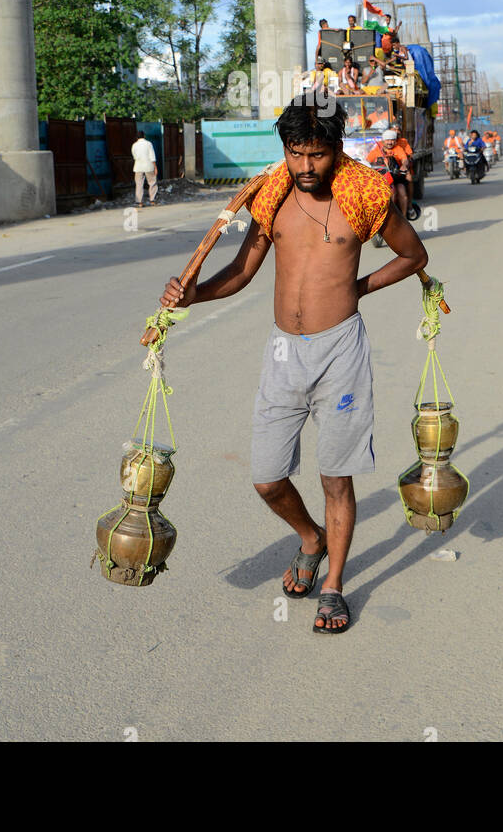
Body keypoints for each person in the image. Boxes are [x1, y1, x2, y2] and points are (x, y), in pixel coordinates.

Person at [160, 96, 427, 634]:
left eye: (317, 155)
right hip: (284, 351)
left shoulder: (363, 197)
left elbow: (413, 255)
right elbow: (240, 272)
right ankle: (310, 537)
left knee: (335, 477)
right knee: (266, 478)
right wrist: (194, 296)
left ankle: (333, 586)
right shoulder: (273, 198)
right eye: (295, 153)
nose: (306, 167)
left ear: (336, 150)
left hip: (340, 350)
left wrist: (355, 289)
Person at [131, 130, 158, 207]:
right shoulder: (148, 144)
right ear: (144, 136)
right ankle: (152, 200)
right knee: (152, 182)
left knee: (139, 184)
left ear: (137, 137)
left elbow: (134, 156)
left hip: (138, 167)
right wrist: (155, 167)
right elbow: (152, 156)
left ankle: (139, 202)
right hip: (148, 166)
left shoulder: (134, 145)